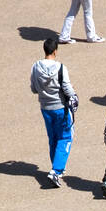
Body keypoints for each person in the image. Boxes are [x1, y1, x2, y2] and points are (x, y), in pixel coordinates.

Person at [30, 37, 76, 187]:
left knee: (53, 138)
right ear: (55, 50)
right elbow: (67, 89)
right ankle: (56, 171)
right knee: (65, 137)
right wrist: (74, 96)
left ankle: (55, 165)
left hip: (45, 108)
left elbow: (33, 88)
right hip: (61, 108)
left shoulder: (36, 66)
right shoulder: (61, 68)